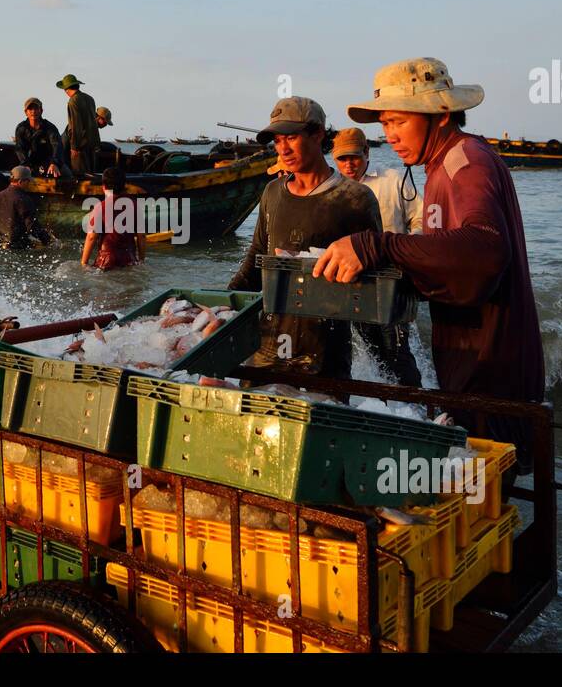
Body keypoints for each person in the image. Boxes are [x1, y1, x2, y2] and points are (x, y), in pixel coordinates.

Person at [312, 57, 544, 473]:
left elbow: (485, 250)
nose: (390, 136)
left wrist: (377, 245)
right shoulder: (439, 167)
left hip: (493, 373)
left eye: (399, 122)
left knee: (486, 500)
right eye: (384, 125)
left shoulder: (465, 162)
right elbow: (451, 262)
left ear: (438, 113)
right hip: (472, 369)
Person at [227, 98, 382, 381]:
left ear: (318, 134)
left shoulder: (355, 199)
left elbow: (373, 284)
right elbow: (257, 256)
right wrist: (225, 303)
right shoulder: (272, 192)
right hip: (265, 348)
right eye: (277, 140)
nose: (282, 148)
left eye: (291, 138)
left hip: (325, 356)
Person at [331, 127, 423, 388]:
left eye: (354, 157)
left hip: (394, 282)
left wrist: (408, 250)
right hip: (353, 284)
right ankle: (385, 404)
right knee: (368, 349)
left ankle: (416, 407)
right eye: (342, 158)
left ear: (367, 153)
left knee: (397, 350)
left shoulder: (393, 180)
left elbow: (421, 219)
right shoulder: (332, 189)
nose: (348, 164)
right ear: (333, 159)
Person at [81, 166, 146, 270]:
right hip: (129, 259)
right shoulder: (135, 205)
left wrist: (84, 263)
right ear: (124, 185)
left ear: (103, 187)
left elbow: (91, 237)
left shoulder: (100, 207)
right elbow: (141, 236)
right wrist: (141, 260)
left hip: (106, 261)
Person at [0, 166, 53, 249]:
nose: (30, 183)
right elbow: (32, 225)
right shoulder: (23, 199)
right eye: (28, 181)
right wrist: (48, 241)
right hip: (16, 246)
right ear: (20, 182)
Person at [56, 74, 100, 176]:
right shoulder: (90, 98)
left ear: (66, 89)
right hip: (92, 143)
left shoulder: (73, 101)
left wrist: (74, 147)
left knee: (80, 176)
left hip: (80, 145)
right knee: (91, 174)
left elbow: (76, 125)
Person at [13, 98, 66, 178]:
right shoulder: (21, 128)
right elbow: (20, 148)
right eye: (30, 109)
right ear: (26, 112)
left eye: (36, 108)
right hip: (29, 164)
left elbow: (57, 146)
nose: (33, 111)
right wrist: (26, 165)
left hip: (49, 162)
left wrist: (54, 163)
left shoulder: (50, 128)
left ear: (41, 111)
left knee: (68, 176)